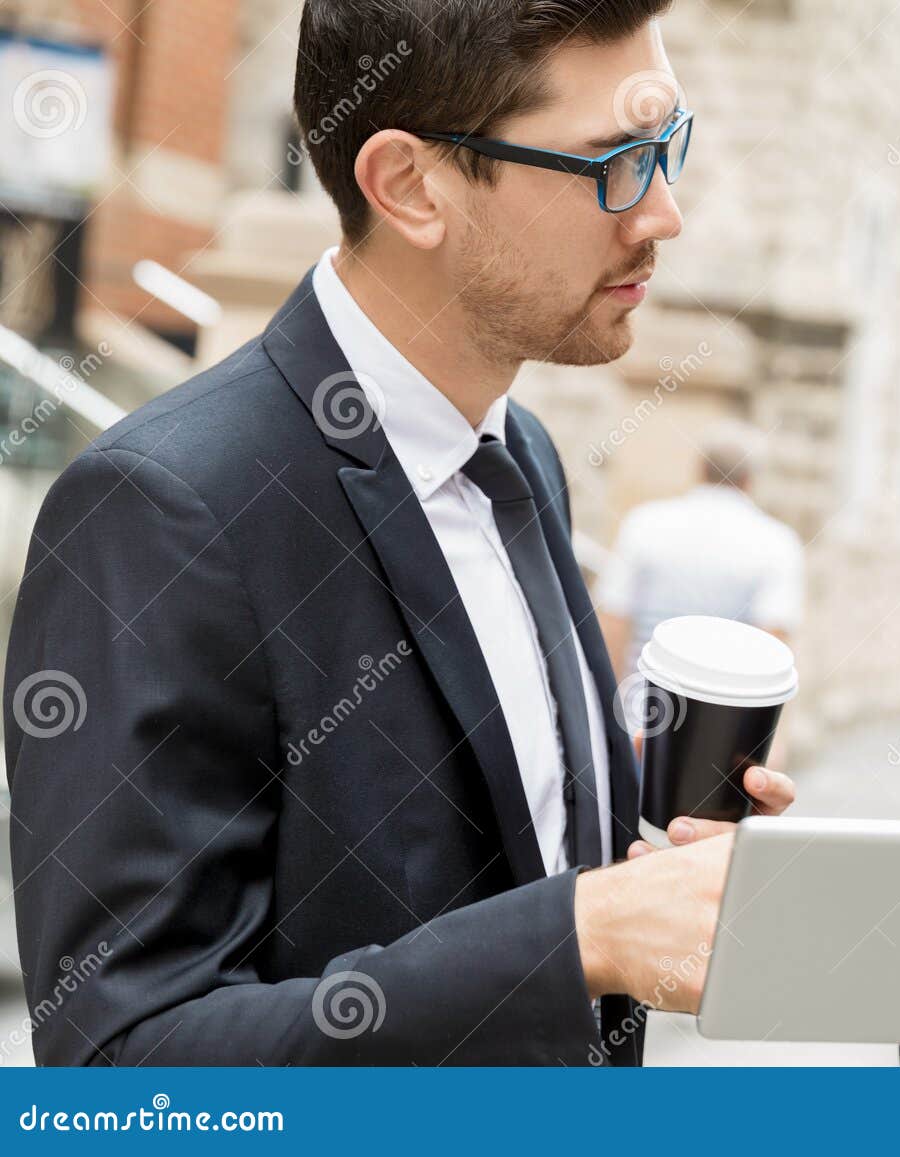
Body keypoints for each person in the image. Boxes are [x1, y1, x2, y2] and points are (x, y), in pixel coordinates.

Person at [3, 0, 793, 1066]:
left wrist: (638, 847)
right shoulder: (164, 507)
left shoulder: (527, 459)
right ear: (410, 186)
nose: (662, 212)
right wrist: (574, 939)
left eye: (667, 147)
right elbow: (123, 1064)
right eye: (611, 161)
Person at [597, 419, 804, 723]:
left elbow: (612, 623)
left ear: (700, 468)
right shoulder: (777, 543)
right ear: (750, 479)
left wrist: (605, 712)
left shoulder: (643, 524)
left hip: (639, 710)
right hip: (722, 725)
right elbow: (773, 647)